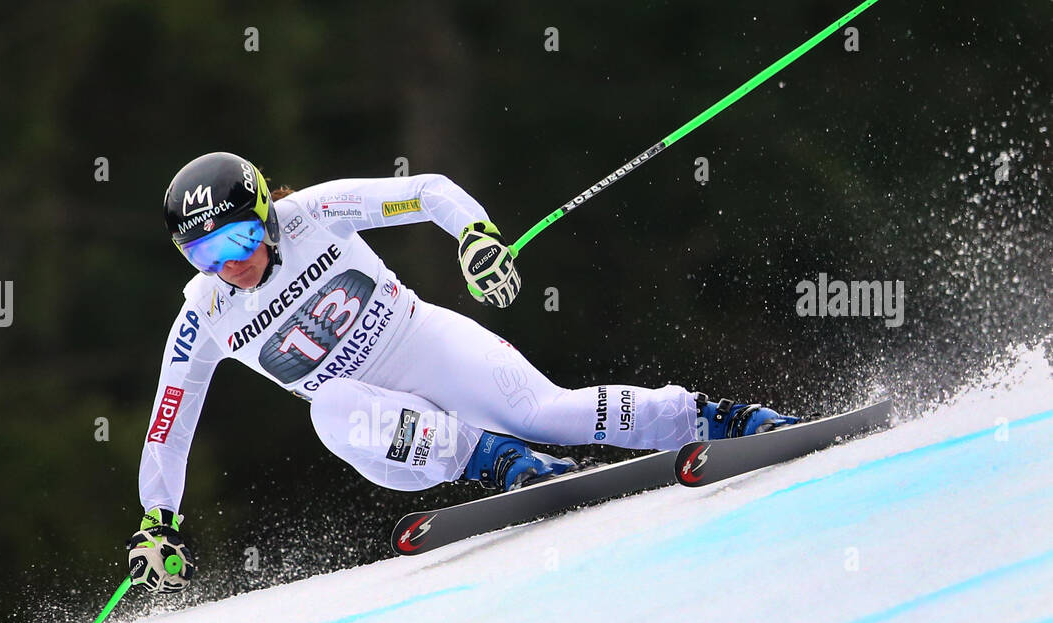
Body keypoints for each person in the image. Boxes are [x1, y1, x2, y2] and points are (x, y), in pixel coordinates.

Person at [126, 151, 796, 592]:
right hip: (383, 433)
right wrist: (159, 517)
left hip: (423, 343)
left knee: (550, 414)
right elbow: (170, 419)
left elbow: (425, 192)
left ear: (265, 214)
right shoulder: (203, 315)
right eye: (204, 254)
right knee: (328, 407)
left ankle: (709, 417)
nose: (229, 263)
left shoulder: (315, 215)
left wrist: (476, 237)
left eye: (239, 238)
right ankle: (497, 460)